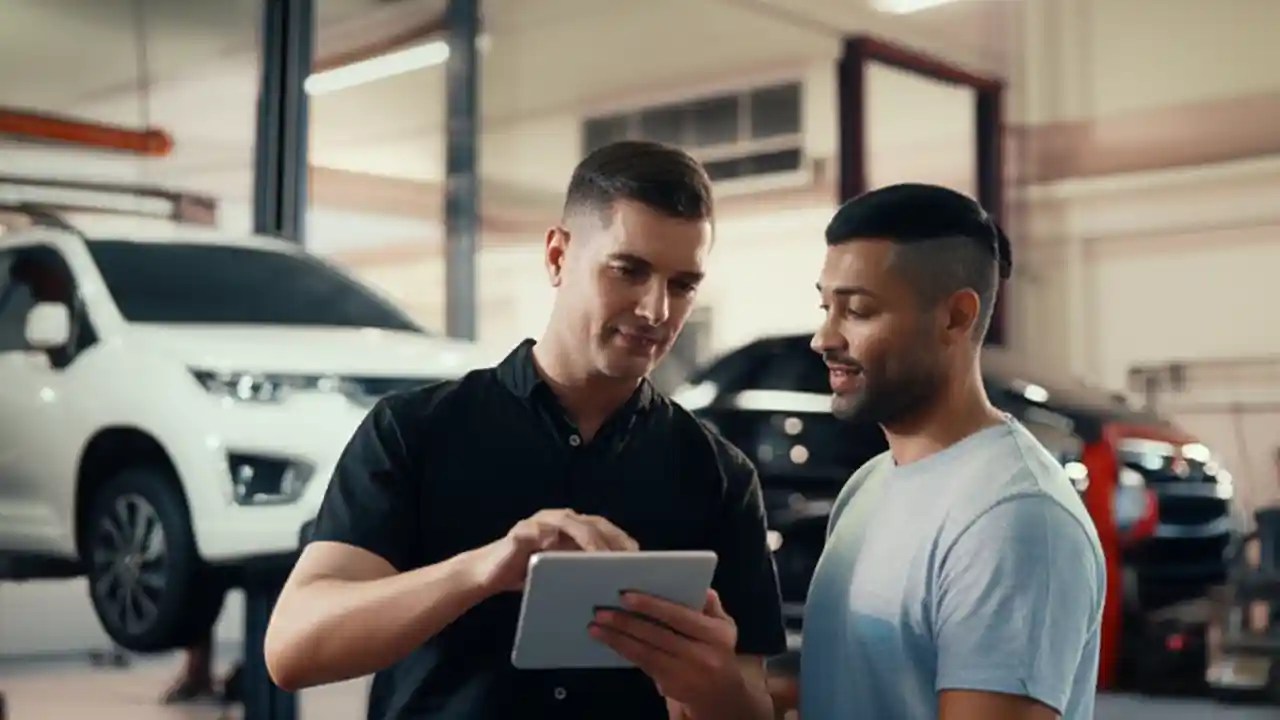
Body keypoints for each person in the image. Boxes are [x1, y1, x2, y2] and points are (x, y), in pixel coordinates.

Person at [264, 140, 787, 719]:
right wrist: (483, 569)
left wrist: (712, 687)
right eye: (629, 270)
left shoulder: (718, 475)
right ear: (558, 257)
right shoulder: (415, 432)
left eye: (682, 284)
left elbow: (749, 706)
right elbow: (293, 650)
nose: (656, 310)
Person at [799, 183, 1107, 720]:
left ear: (956, 318)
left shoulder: (1015, 518)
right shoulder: (869, 486)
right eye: (826, 306)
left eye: (858, 311)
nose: (823, 337)